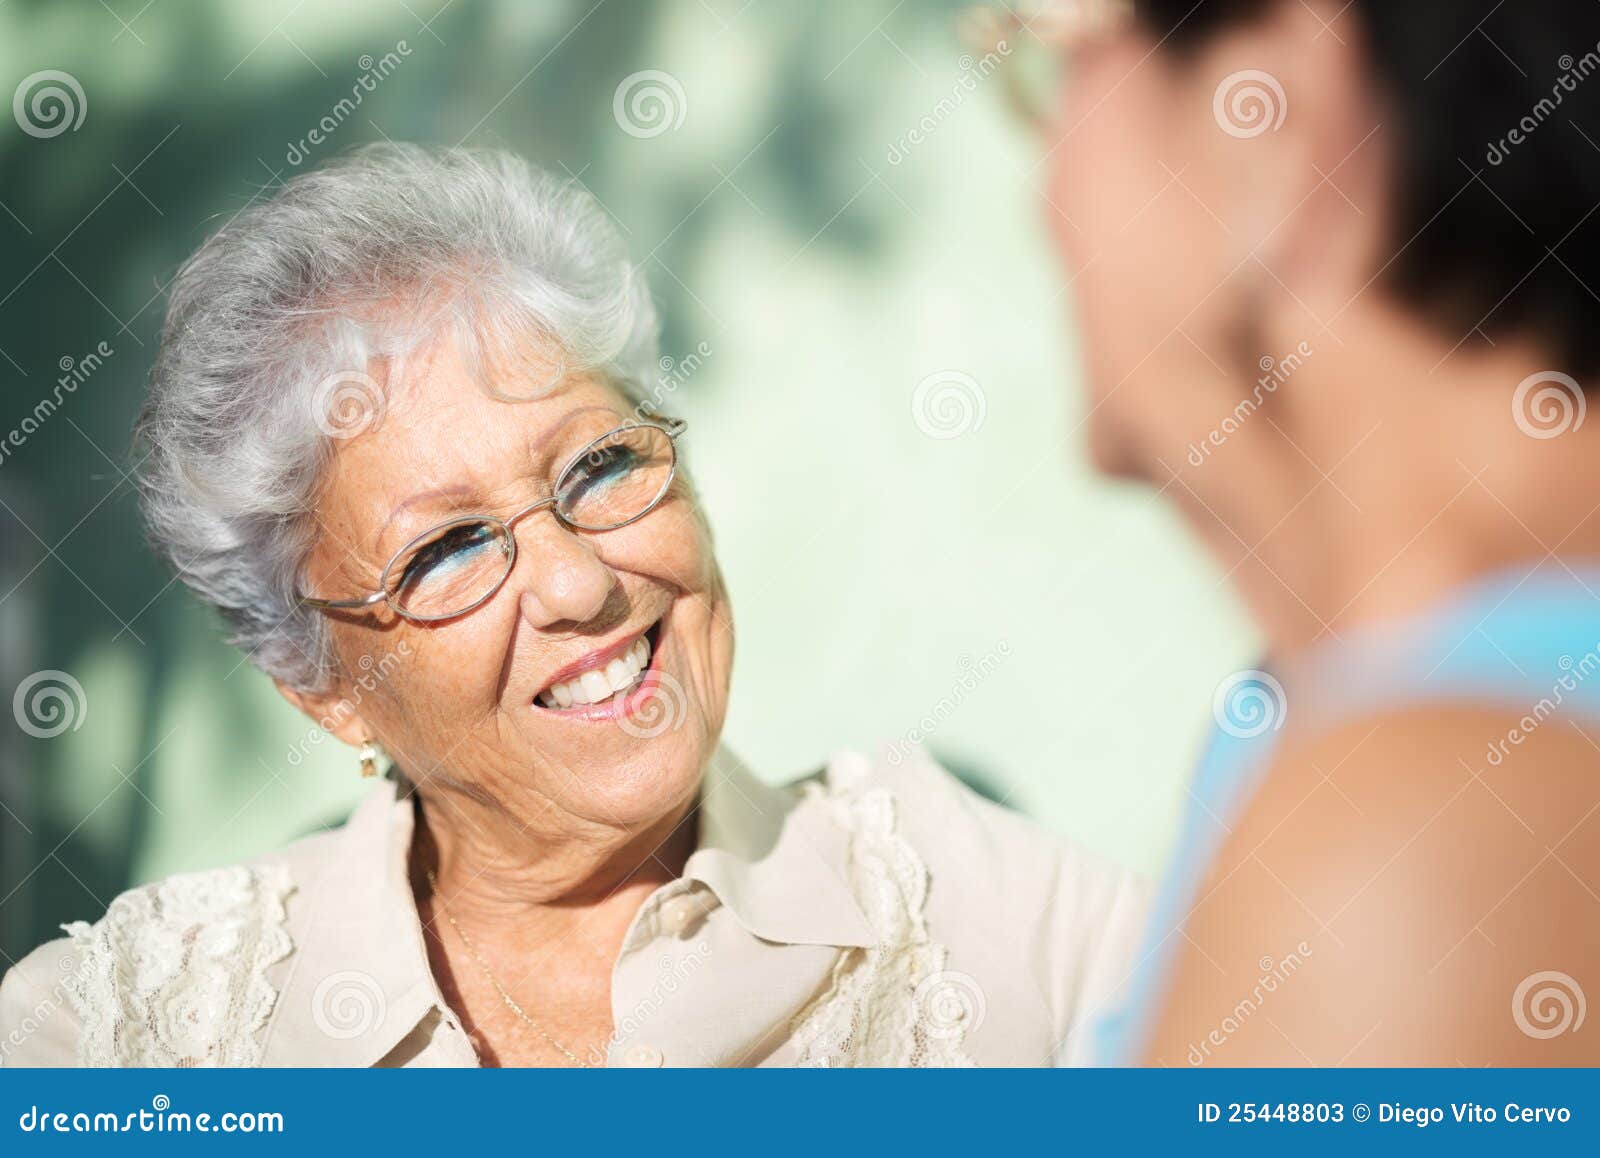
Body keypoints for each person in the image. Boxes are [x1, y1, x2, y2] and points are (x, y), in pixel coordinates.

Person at [0, 144, 1145, 1068]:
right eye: (447, 548)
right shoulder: (115, 1044)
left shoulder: (997, 917)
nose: (581, 583)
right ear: (323, 688)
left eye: (599, 468)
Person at [1004, 0, 1600, 1063]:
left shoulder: (1424, 844)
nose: (1037, 188)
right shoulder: (1302, 721)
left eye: (1062, 65)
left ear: (1270, 114)